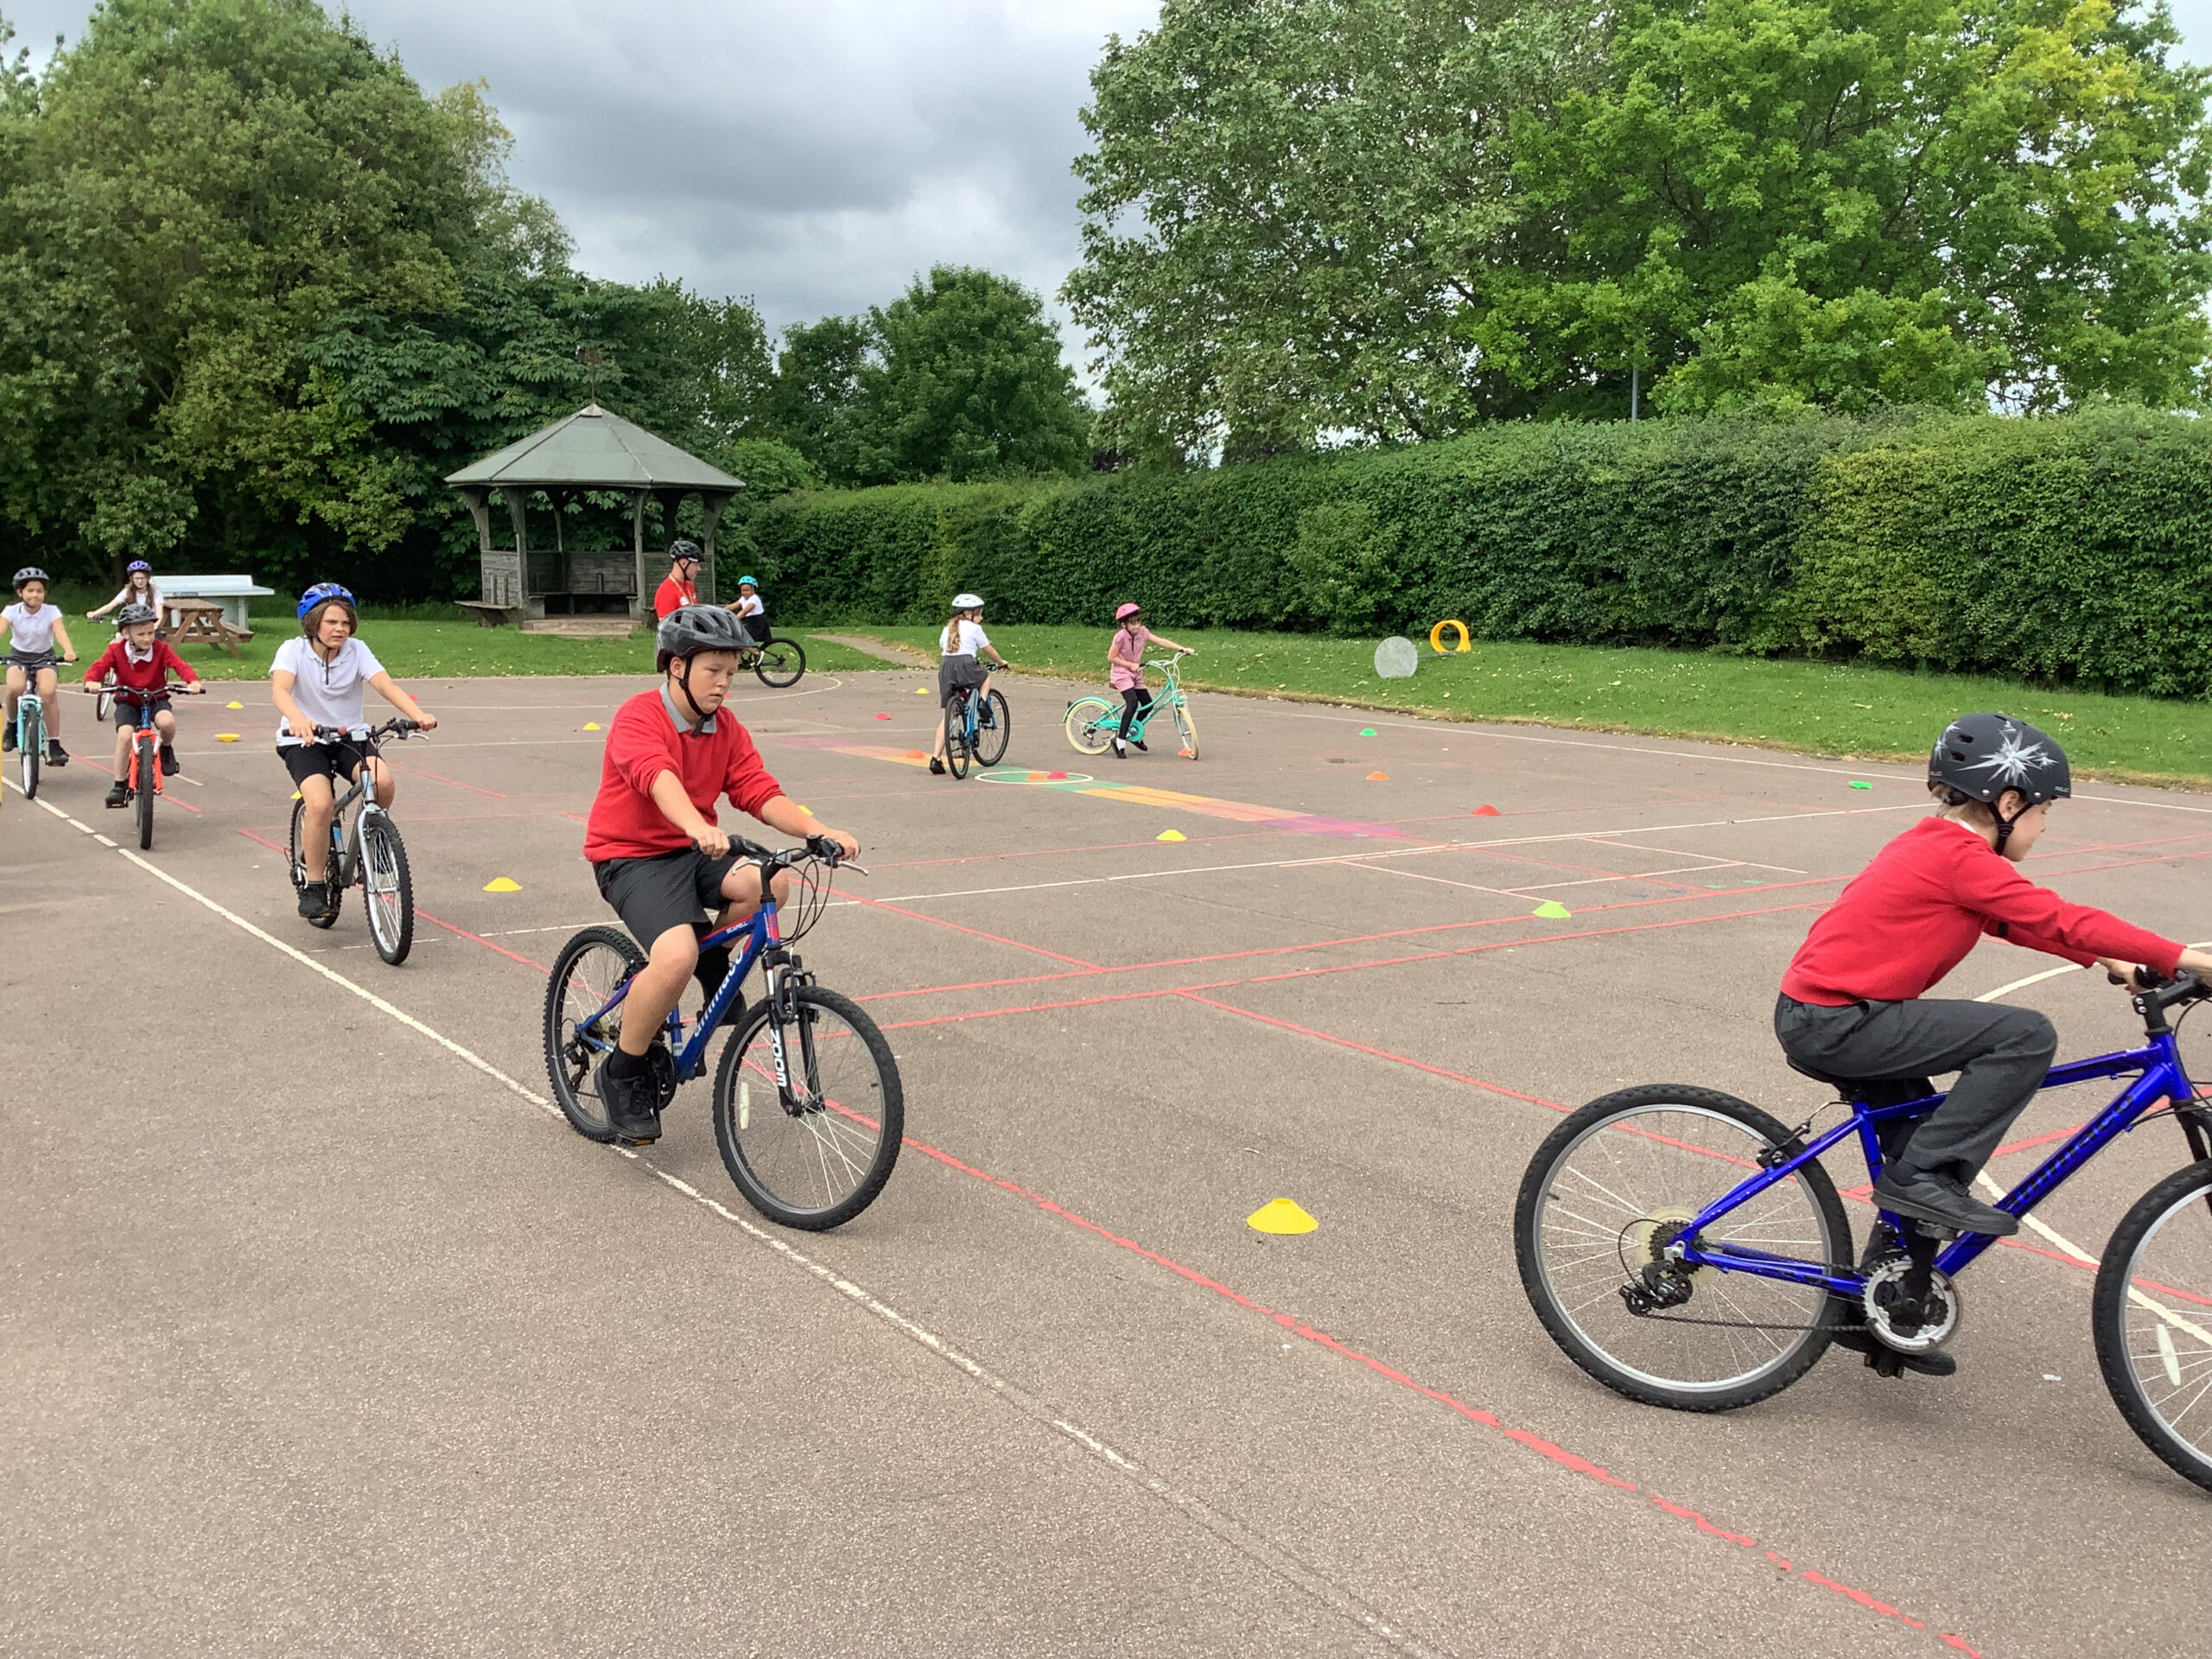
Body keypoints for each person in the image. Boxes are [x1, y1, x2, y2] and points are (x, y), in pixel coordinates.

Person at [1777, 712, 2212, 1247]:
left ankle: (1889, 1300)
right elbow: (2064, 917)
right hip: (1838, 1020)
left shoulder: (1935, 845)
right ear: (2009, 804)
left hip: (1829, 1014)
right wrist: (2188, 959)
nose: (2045, 825)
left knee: (1922, 1150)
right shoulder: (1961, 859)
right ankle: (1920, 1180)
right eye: (2044, 809)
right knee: (2024, 1036)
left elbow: (2009, 921)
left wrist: (2107, 959)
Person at [581, 604, 861, 1144]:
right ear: (676, 667)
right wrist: (694, 823)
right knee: (675, 957)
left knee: (773, 883)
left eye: (732, 674)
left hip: (694, 850)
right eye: (714, 671)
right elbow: (655, 777)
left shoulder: (725, 728)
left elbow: (758, 789)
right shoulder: (639, 716)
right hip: (632, 855)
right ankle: (623, 1070)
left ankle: (714, 957)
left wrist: (817, 831)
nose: (724, 685)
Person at [270, 583, 438, 921]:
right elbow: (281, 690)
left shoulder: (357, 650)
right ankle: (314, 885)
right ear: (312, 623)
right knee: (320, 804)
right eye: (332, 622)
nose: (340, 629)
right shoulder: (293, 651)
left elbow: (385, 684)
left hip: (350, 736)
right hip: (304, 739)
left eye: (346, 623)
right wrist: (300, 720)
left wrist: (417, 715)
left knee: (383, 782)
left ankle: (373, 844)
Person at [82, 603, 204, 806]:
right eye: (140, 634)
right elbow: (99, 667)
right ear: (125, 633)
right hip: (128, 700)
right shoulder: (115, 650)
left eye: (150, 633)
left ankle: (166, 748)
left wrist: (193, 681)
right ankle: (119, 785)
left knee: (166, 722)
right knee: (124, 736)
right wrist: (92, 681)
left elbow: (180, 666)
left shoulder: (161, 649)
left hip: (156, 698)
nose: (147, 638)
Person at [929, 593, 1007, 776]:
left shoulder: (948, 628)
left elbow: (944, 647)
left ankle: (936, 758)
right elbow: (989, 650)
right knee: (985, 677)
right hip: (966, 665)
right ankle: (982, 703)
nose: (981, 617)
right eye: (979, 613)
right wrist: (1002, 662)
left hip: (946, 668)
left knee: (948, 717)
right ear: (969, 614)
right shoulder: (974, 629)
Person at [3, 567, 74, 766]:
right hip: (18, 656)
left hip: (45, 657)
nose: (35, 595)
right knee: (15, 688)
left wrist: (69, 650)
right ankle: (11, 724)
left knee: (48, 692)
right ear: (20, 593)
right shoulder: (11, 611)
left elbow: (60, 632)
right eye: (30, 590)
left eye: (40, 591)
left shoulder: (51, 611)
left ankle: (54, 743)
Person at [1105, 601, 1192, 760]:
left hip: (1136, 673)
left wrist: (1182, 648)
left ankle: (1134, 734)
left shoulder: (1143, 632)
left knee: (1147, 704)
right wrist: (1129, 664)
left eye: (1138, 622)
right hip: (1122, 673)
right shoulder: (1120, 637)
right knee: (1132, 703)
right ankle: (1119, 741)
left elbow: (1160, 641)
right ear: (1124, 625)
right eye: (1132, 624)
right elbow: (1111, 657)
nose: (1136, 626)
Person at [86, 561, 162, 632]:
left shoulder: (155, 591)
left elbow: (159, 613)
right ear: (132, 579)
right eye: (136, 578)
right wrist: (95, 613)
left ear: (148, 578)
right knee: (116, 642)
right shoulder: (127, 591)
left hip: (149, 625)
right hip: (132, 625)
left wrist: (156, 624)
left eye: (142, 578)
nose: (140, 581)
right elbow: (110, 606)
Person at [653, 541, 702, 621]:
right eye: (696, 565)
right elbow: (666, 629)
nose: (699, 569)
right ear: (683, 563)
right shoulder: (666, 592)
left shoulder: (689, 586)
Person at [730, 575, 766, 645]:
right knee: (740, 638)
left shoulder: (754, 599)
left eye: (747, 590)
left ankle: (756, 653)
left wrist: (733, 619)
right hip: (750, 621)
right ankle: (742, 655)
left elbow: (744, 611)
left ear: (753, 590)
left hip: (757, 623)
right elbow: (732, 606)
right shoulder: (743, 598)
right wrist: (720, 610)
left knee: (744, 639)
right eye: (743, 590)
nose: (745, 593)